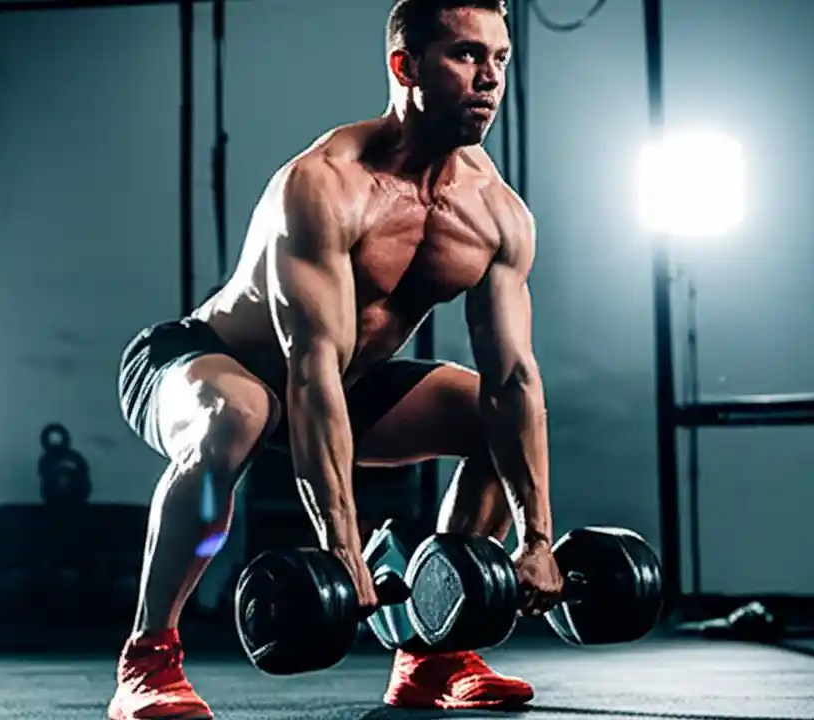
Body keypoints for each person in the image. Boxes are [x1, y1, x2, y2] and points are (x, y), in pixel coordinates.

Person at [109, 1, 560, 717]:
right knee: (242, 410)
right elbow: (309, 369)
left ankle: (432, 654)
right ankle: (149, 658)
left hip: (344, 383)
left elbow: (515, 381)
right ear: (405, 66)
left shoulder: (497, 215)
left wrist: (539, 539)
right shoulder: (323, 186)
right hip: (205, 362)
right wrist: (343, 550)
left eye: (500, 59)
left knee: (492, 420)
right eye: (467, 55)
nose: (490, 78)